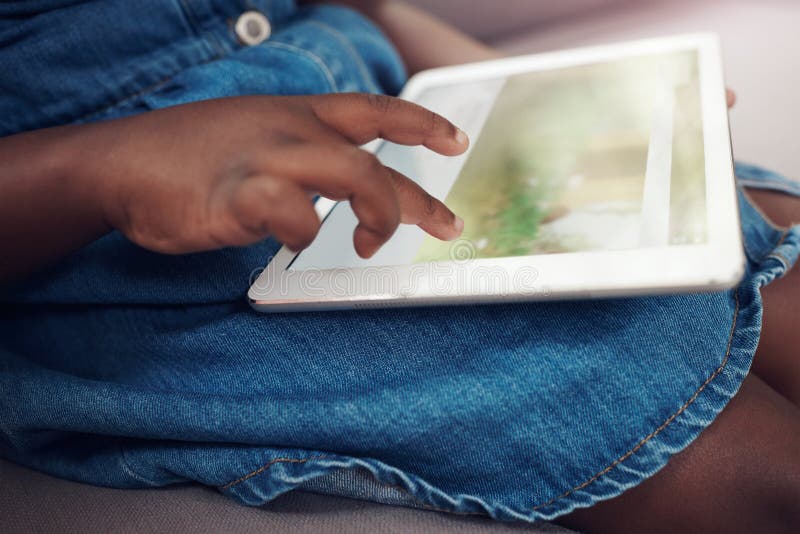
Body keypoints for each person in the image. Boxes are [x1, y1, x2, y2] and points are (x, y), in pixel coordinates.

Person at [0, 1, 798, 532]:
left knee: (754, 238)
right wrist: (98, 171)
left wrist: (535, 91)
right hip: (125, 239)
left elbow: (364, 8)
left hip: (385, 106)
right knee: (722, 450)